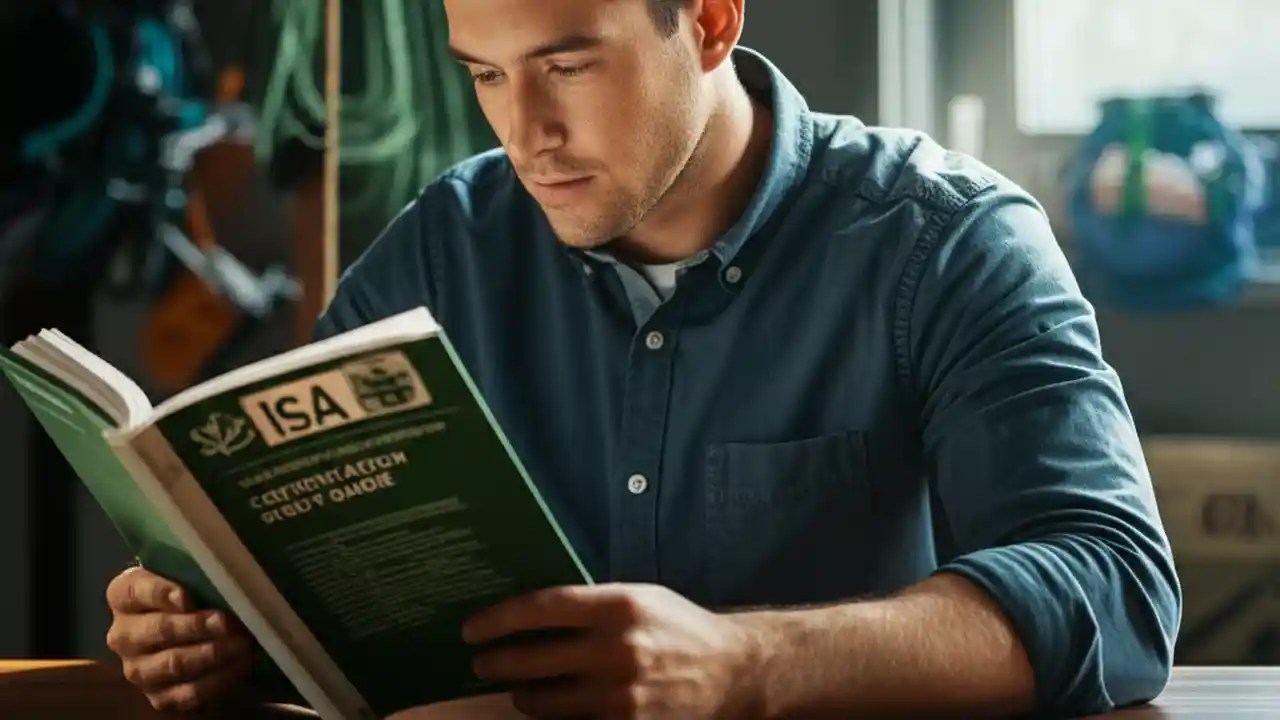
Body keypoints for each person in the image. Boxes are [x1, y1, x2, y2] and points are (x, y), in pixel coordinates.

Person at [104, 0, 1182, 716]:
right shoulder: (449, 245)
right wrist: (209, 625)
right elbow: (299, 558)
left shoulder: (944, 241)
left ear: (709, 20)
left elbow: (1117, 589)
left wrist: (744, 667)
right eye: (484, 74)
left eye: (565, 65)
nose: (523, 132)